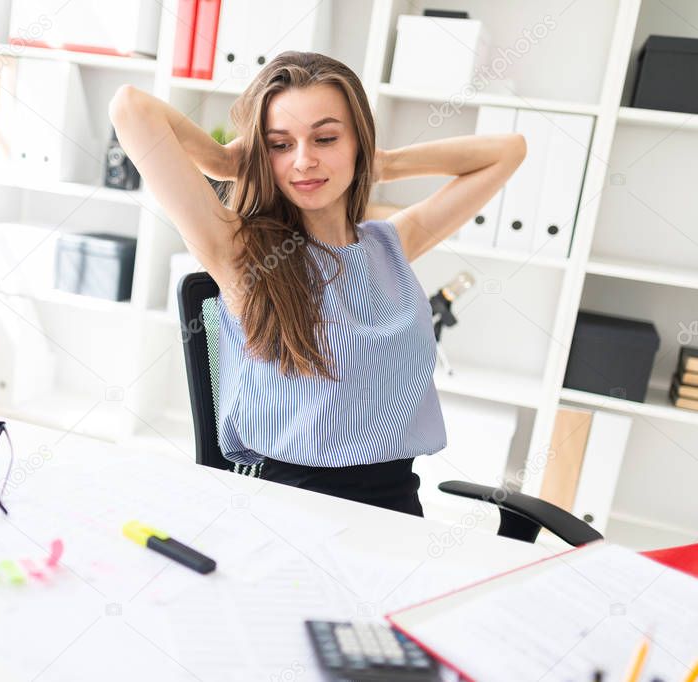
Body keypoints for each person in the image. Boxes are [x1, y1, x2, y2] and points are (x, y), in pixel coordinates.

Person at [108, 52, 525, 516]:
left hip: (399, 509)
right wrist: (227, 161)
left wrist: (380, 164)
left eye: (326, 138)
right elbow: (131, 108)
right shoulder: (239, 252)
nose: (304, 161)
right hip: (292, 513)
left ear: (356, 142)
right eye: (280, 145)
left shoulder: (390, 244)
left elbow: (509, 151)